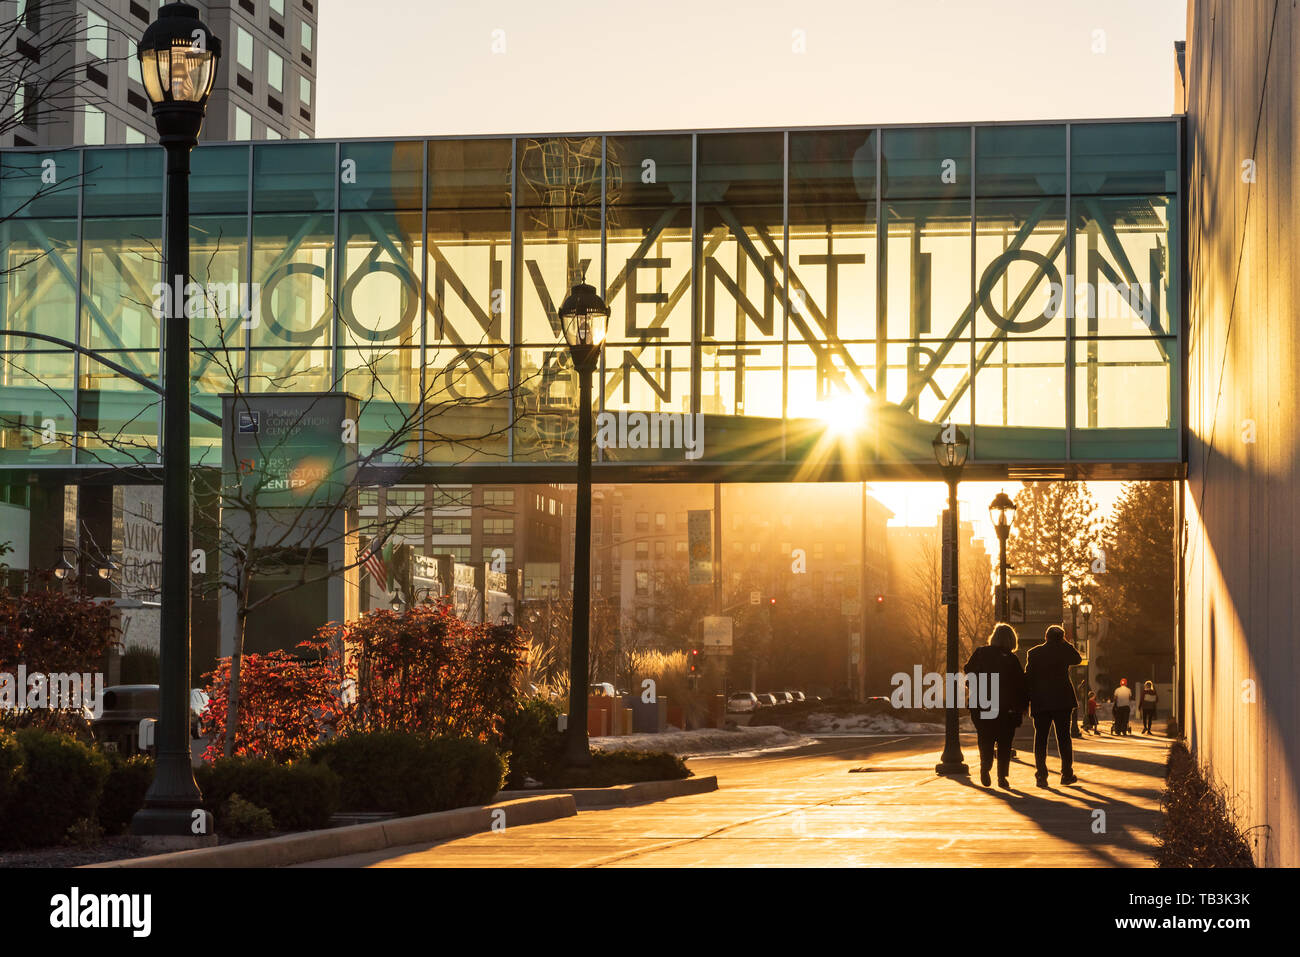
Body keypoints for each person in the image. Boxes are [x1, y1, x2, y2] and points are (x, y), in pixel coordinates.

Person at [964, 623, 1029, 789]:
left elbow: (968, 670)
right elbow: (1020, 685)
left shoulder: (981, 652)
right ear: (1011, 640)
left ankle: (985, 765)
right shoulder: (1012, 659)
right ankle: (1002, 777)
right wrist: (1022, 706)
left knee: (985, 737)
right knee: (1005, 742)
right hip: (1005, 708)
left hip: (981, 705)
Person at [1025, 624, 1082, 787]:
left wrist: (1027, 698)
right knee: (1064, 738)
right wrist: (1065, 643)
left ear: (1046, 637)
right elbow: (1077, 658)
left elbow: (1028, 677)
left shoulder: (1034, 653)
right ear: (1061, 638)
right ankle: (1066, 774)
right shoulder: (1064, 651)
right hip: (1062, 701)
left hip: (1040, 701)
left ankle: (1041, 775)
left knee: (1041, 738)